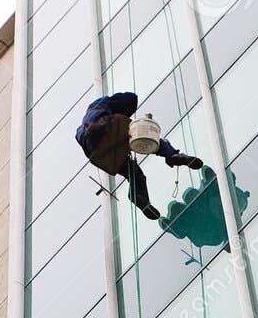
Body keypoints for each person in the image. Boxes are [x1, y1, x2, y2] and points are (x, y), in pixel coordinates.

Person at [75, 90, 202, 221]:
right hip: (109, 131)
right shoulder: (100, 103)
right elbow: (131, 98)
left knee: (135, 174)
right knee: (151, 139)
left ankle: (139, 196)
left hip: (101, 156)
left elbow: (83, 141)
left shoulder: (81, 128)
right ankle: (173, 156)